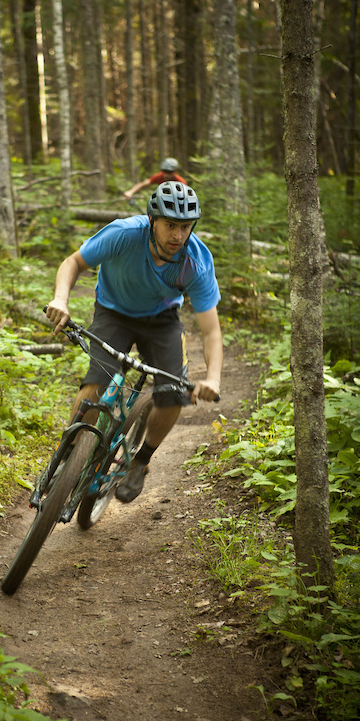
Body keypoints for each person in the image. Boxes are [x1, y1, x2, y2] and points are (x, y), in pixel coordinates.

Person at [45, 181, 222, 504]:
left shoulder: (196, 261)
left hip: (162, 321)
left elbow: (211, 331)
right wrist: (60, 300)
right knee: (95, 384)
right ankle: (67, 455)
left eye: (185, 227)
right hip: (113, 312)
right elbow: (74, 263)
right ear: (153, 220)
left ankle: (141, 461)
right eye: (170, 225)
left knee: (173, 395)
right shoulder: (124, 234)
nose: (177, 236)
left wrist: (212, 378)